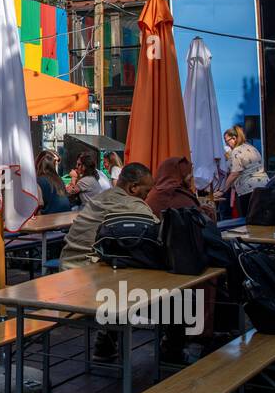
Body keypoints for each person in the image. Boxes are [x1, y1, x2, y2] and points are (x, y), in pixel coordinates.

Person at [59, 162, 156, 360]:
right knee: (155, 287)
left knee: (121, 279)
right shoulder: (133, 204)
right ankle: (171, 350)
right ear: (133, 188)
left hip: (66, 269)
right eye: (147, 190)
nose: (148, 195)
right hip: (88, 278)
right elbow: (157, 230)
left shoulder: (99, 199)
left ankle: (106, 343)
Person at [144, 156, 217, 361]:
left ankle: (178, 339)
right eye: (187, 173)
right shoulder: (176, 195)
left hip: (158, 262)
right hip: (178, 264)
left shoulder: (155, 193)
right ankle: (200, 335)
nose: (190, 177)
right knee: (213, 276)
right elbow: (196, 230)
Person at [217, 125, 268, 217]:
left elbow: (235, 173)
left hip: (249, 190)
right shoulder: (252, 148)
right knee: (261, 217)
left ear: (234, 138)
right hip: (264, 186)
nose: (226, 144)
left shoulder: (236, 151)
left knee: (249, 219)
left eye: (227, 141)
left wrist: (222, 190)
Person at [36, 150, 72, 214]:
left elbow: (38, 204)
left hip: (50, 218)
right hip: (67, 215)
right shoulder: (59, 179)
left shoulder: (39, 180)